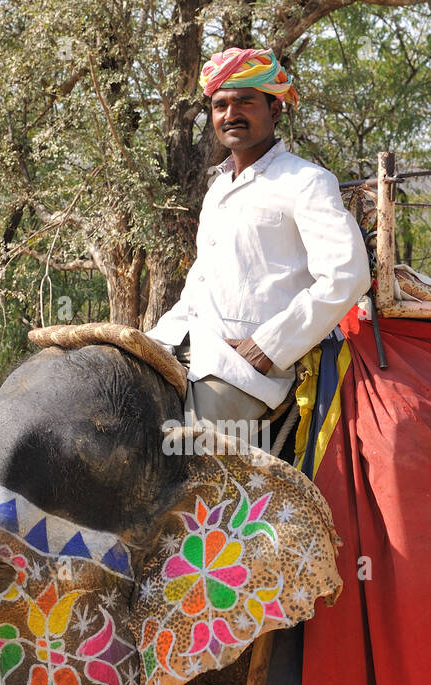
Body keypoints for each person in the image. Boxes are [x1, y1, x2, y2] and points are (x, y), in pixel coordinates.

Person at [148, 47, 370, 435]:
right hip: (183, 344)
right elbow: (201, 286)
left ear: (275, 110)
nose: (230, 114)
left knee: (188, 447)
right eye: (220, 105)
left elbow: (347, 275)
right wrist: (150, 340)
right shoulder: (217, 190)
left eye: (245, 102)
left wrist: (268, 345)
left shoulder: (307, 182)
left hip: (247, 370)